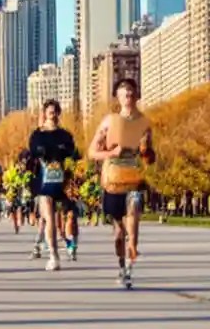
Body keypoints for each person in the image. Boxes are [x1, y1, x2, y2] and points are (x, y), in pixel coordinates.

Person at [88, 78, 156, 289]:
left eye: (131, 93)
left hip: (134, 180)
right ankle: (121, 263)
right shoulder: (109, 122)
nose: (128, 96)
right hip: (113, 181)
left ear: (137, 96)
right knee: (118, 234)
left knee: (133, 216)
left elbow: (150, 158)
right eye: (123, 93)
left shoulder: (144, 124)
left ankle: (131, 258)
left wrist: (146, 153)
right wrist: (111, 152)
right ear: (117, 97)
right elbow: (92, 152)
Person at [27, 100, 80, 270]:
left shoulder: (65, 135)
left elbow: (73, 153)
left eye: (55, 112)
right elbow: (32, 153)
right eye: (49, 112)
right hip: (44, 180)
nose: (53, 114)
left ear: (58, 113)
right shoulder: (37, 135)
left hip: (63, 181)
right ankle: (53, 255)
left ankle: (72, 244)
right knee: (49, 218)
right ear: (44, 114)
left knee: (70, 215)